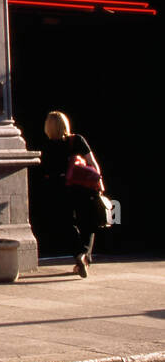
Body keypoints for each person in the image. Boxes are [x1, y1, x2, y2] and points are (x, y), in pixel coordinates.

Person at [43, 111, 103, 278]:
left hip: (60, 189)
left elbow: (47, 172)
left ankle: (78, 254)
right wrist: (99, 183)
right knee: (89, 223)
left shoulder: (48, 146)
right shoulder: (77, 140)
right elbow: (92, 163)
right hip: (83, 187)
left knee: (67, 223)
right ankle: (85, 254)